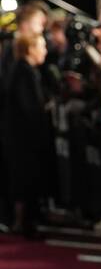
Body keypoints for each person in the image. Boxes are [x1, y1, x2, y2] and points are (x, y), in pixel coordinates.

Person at [3, 30, 54, 235]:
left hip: (18, 136)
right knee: (25, 180)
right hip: (23, 138)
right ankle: (24, 223)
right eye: (41, 46)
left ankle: (23, 221)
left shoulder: (22, 70)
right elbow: (29, 108)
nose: (45, 50)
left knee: (22, 180)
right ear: (30, 49)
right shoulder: (24, 72)